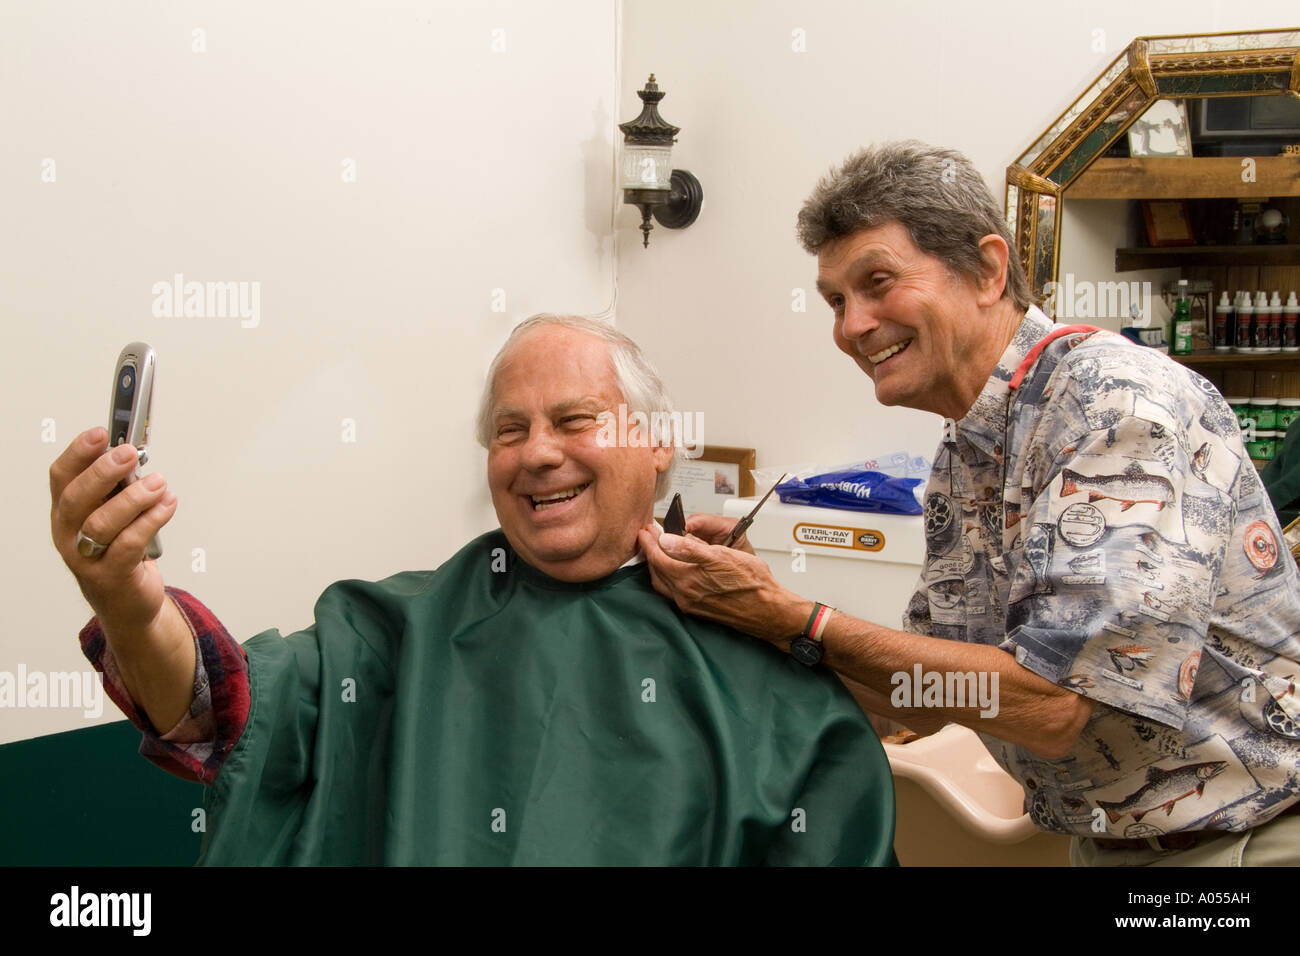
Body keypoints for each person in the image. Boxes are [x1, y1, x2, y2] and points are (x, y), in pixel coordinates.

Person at [639, 141, 1300, 867]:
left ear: (987, 269)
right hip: (1119, 845)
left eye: (878, 282)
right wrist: (760, 619)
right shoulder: (970, 450)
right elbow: (921, 698)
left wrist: (799, 620)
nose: (851, 326)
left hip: (1246, 843)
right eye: (835, 300)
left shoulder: (1115, 408)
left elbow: (1057, 710)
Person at [49, 314, 895, 866]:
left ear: (657, 445)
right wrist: (125, 594)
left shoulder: (755, 651)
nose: (536, 453)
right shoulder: (397, 629)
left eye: (573, 421)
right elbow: (216, 710)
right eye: (508, 430)